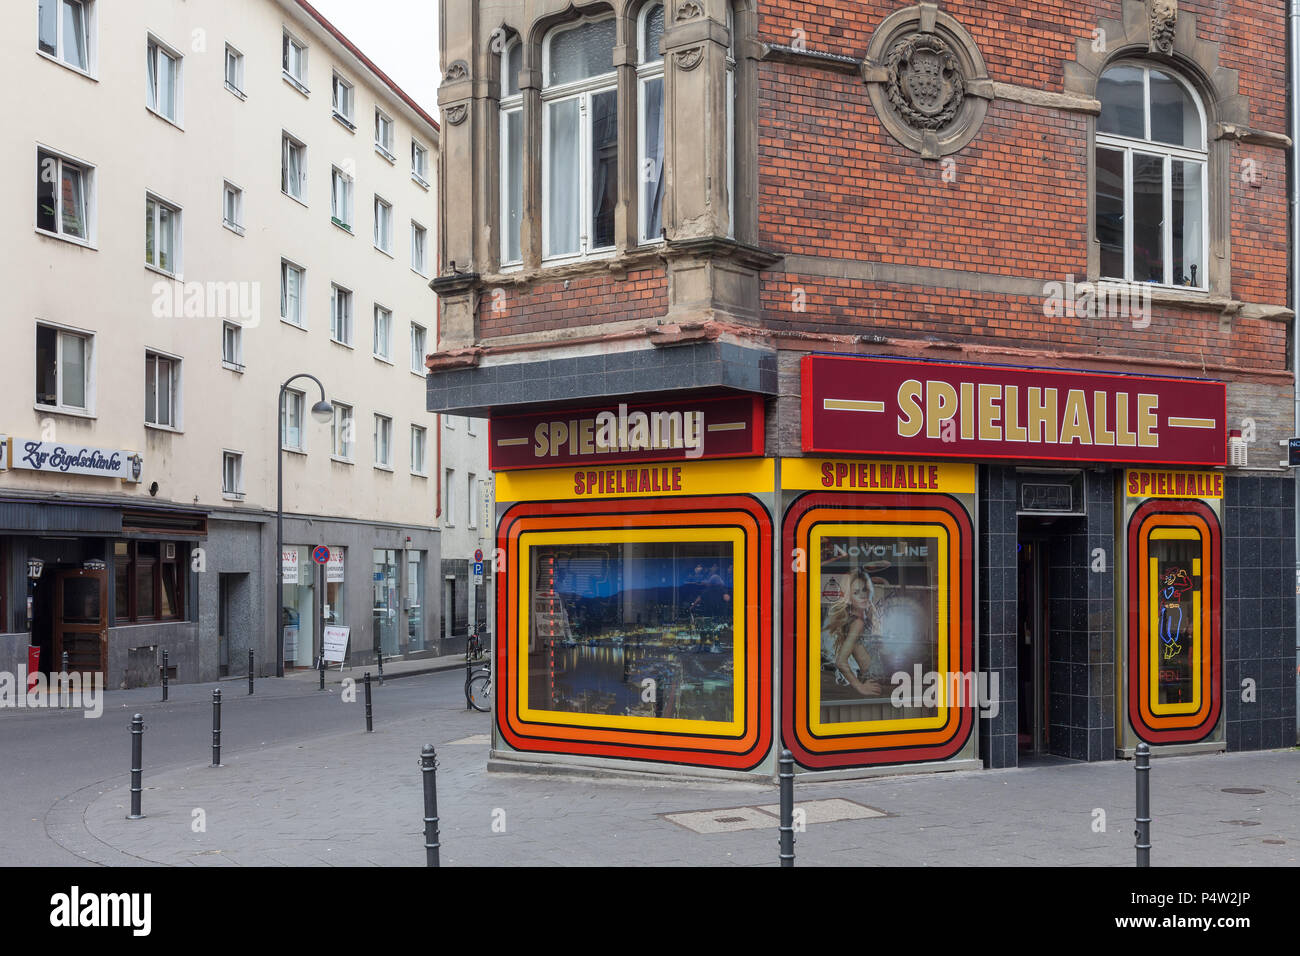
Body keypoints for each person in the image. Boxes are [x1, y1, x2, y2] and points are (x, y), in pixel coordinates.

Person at [824, 568, 884, 696]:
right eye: (856, 592)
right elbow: (840, 661)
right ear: (849, 598)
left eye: (864, 589)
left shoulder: (864, 619)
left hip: (883, 681)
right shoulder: (857, 623)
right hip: (875, 683)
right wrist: (860, 687)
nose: (863, 595)